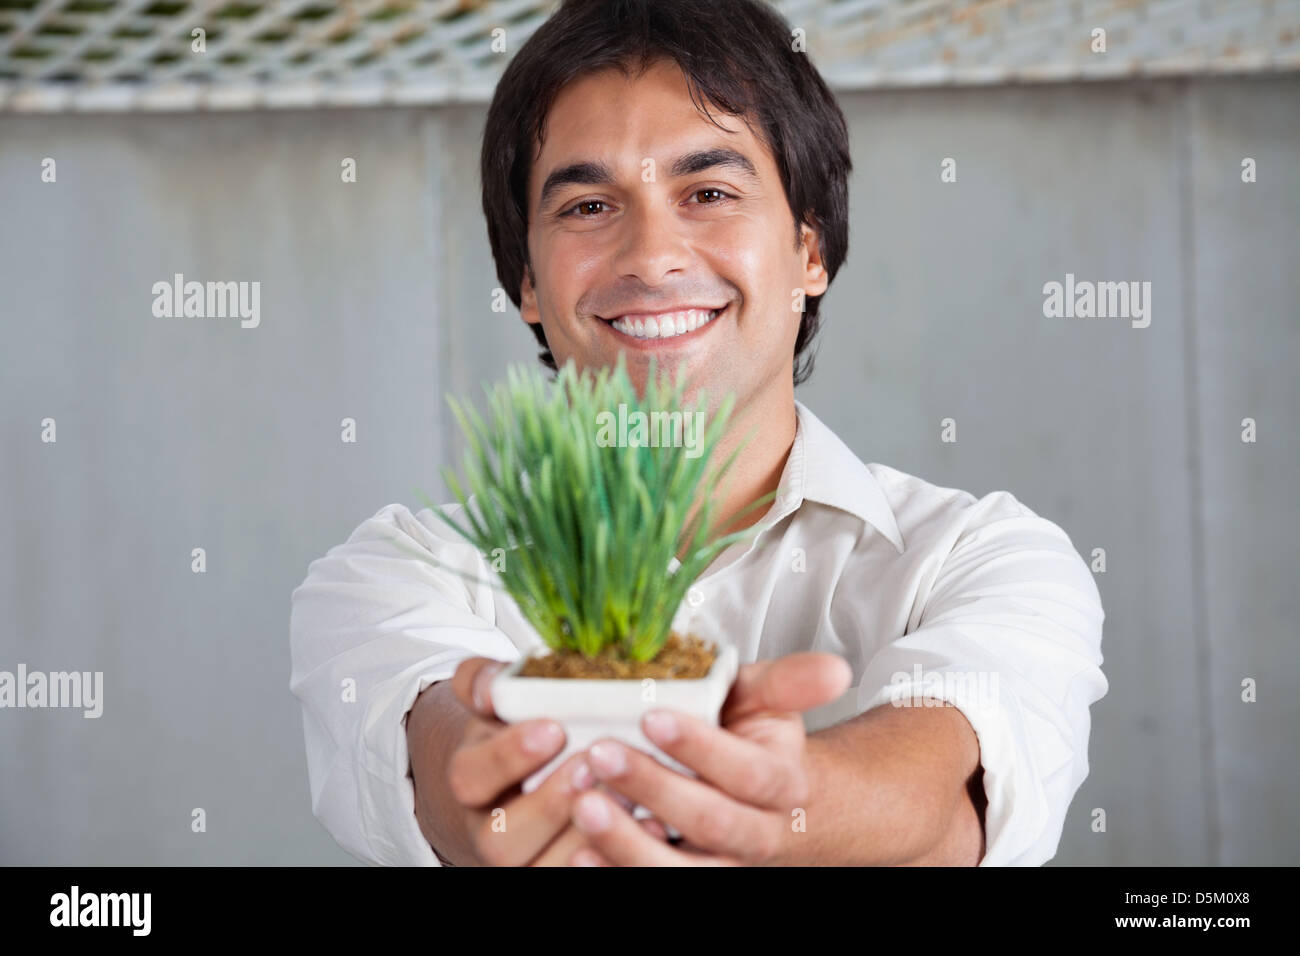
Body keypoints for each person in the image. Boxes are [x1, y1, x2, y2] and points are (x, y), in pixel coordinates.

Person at [289, 0, 1106, 867]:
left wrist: (779, 803)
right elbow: (446, 769)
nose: (652, 256)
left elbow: (943, 805)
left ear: (810, 253)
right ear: (527, 284)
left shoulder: (982, 560)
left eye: (708, 192)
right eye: (589, 206)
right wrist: (514, 777)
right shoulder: (396, 575)